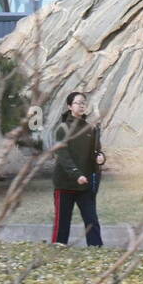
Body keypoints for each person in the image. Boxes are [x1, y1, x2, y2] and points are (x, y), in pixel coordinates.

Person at [51, 91, 104, 247]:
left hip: (85, 184)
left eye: (83, 103)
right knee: (62, 221)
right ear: (69, 106)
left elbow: (96, 152)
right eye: (78, 103)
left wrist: (100, 157)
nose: (81, 106)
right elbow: (63, 155)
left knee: (91, 220)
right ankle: (58, 251)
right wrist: (76, 174)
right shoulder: (62, 128)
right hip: (65, 183)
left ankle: (96, 250)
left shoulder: (90, 129)